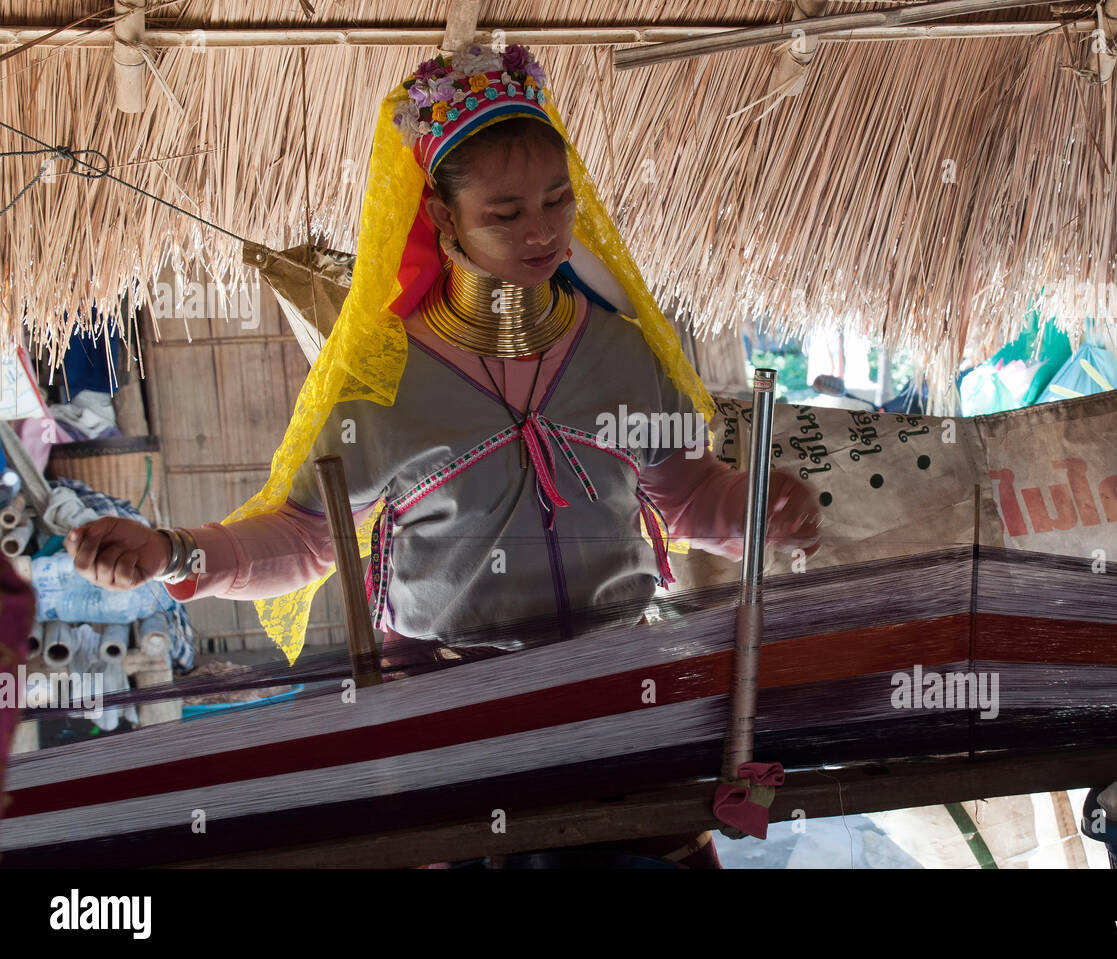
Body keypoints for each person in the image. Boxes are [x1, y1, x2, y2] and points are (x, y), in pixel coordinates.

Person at [65, 44, 821, 867]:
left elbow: (682, 498)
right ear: (441, 213)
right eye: (505, 212)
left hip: (620, 704)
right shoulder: (382, 382)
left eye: (559, 199)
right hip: (452, 719)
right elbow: (310, 541)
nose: (542, 229)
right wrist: (175, 552)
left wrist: (758, 509)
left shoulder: (622, 354)